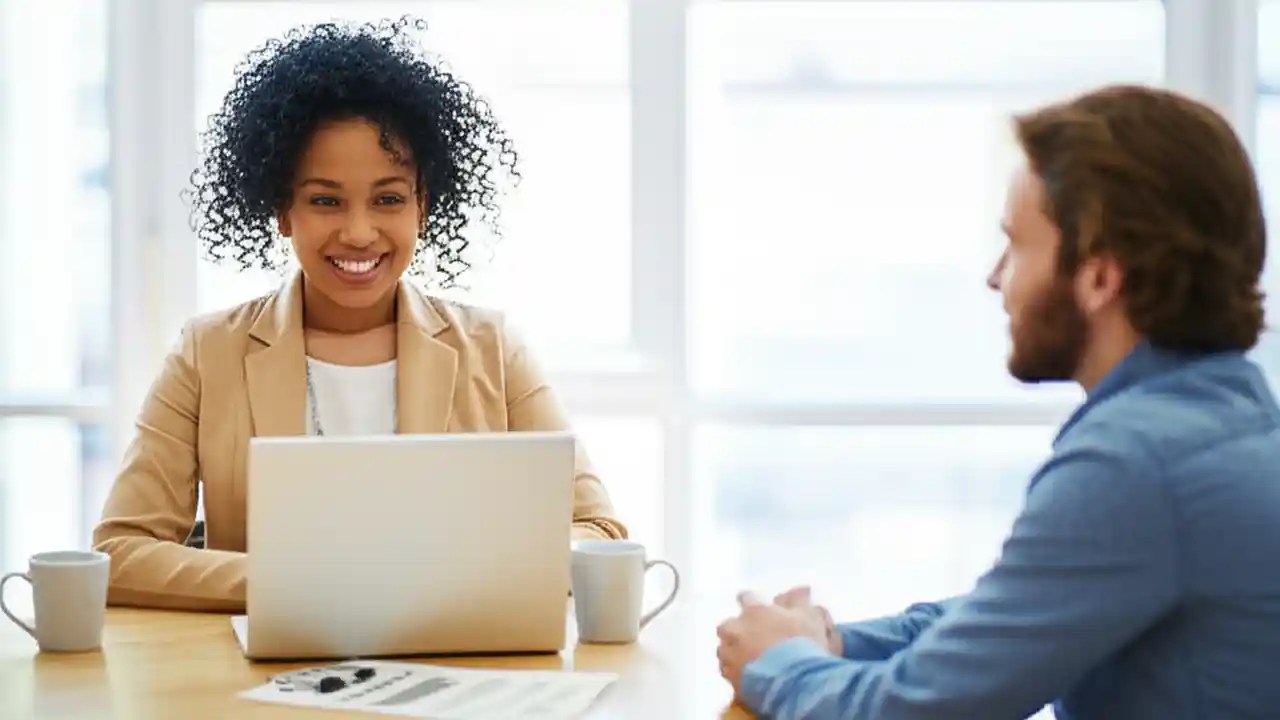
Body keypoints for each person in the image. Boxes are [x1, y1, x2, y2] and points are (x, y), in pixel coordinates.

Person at [716, 84, 1280, 719]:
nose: (995, 276)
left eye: (1016, 244)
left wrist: (779, 664)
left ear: (1099, 276)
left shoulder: (1138, 465)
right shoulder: (1228, 420)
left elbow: (910, 713)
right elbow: (1018, 616)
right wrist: (834, 642)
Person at [93, 18, 627, 613]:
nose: (357, 231)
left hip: (454, 668)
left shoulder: (494, 350)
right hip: (261, 680)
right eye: (325, 201)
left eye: (388, 199)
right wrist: (293, 584)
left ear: (425, 205)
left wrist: (456, 578)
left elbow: (598, 533)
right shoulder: (206, 352)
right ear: (281, 209)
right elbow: (121, 550)